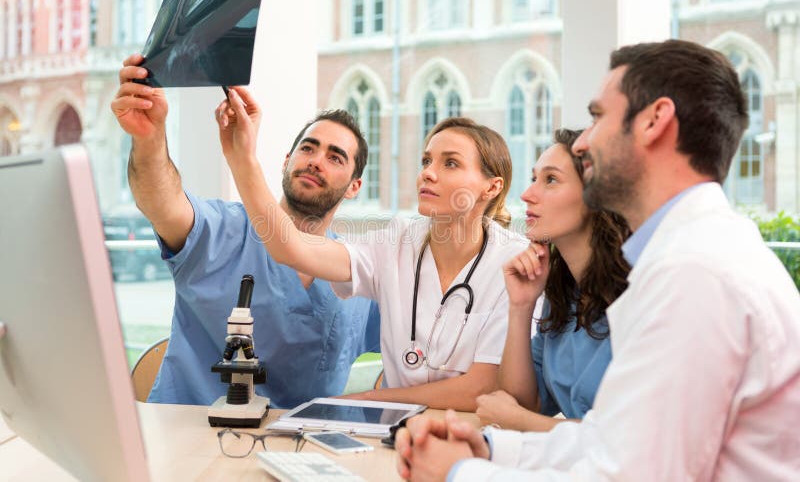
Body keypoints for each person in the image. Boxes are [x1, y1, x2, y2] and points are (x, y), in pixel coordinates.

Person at [395, 39, 800, 480]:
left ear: (654, 121)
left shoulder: (696, 274)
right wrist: (492, 449)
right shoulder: (687, 256)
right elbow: (613, 439)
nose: (584, 143)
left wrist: (459, 473)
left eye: (598, 117)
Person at [214, 88, 530, 411]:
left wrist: (368, 400)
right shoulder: (394, 242)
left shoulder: (514, 261)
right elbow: (290, 248)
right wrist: (243, 159)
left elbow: (483, 387)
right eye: (426, 160)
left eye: (450, 163)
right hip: (396, 436)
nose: (427, 173)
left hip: (473, 437)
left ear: (491, 187)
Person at [110, 54, 381, 408]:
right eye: (308, 148)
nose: (316, 160)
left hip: (294, 453)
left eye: (336, 157)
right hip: (188, 440)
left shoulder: (355, 272)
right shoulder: (222, 230)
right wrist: (148, 138)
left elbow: (418, 344)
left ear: (354, 186)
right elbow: (160, 202)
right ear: (287, 162)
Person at [476, 128, 630, 432]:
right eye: (535, 178)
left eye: (551, 180)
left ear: (596, 195)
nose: (527, 194)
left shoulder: (637, 292)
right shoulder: (563, 294)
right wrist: (521, 306)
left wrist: (520, 421)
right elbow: (522, 401)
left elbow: (625, 434)